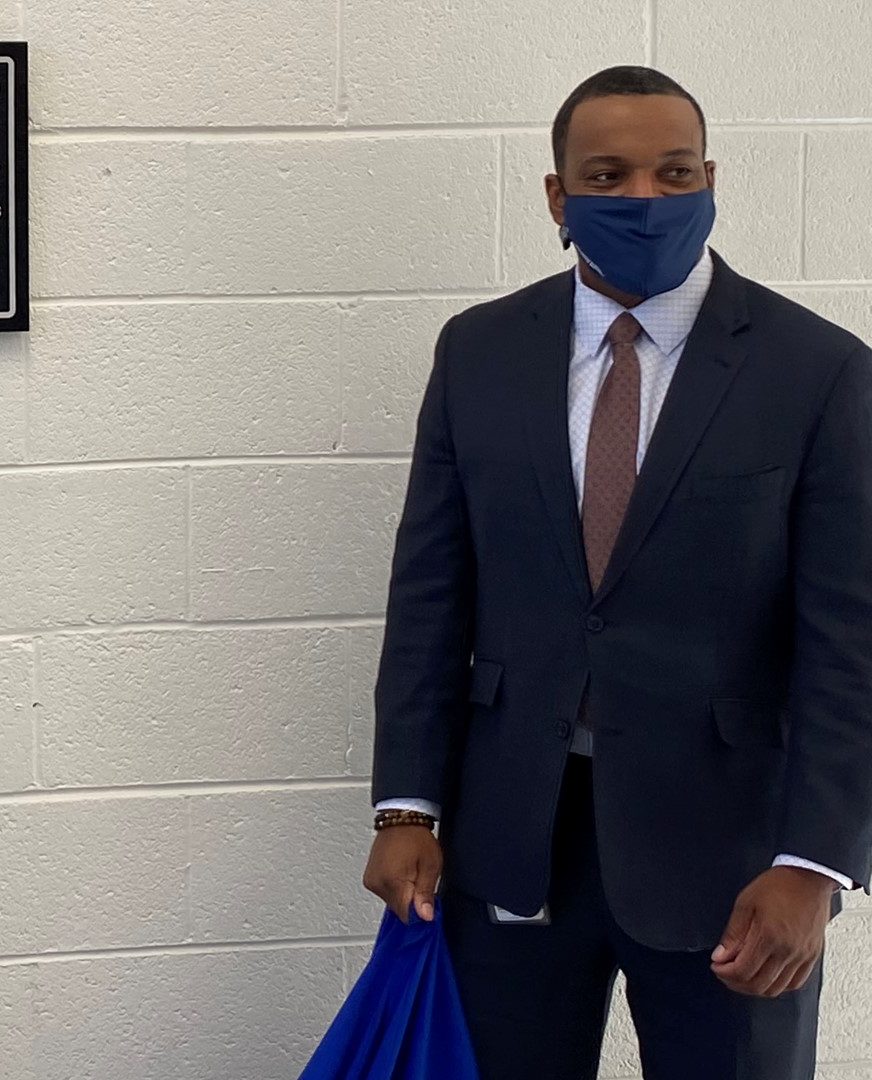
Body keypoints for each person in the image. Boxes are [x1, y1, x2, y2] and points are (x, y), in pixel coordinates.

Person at [363, 66, 872, 1079]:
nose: (645, 197)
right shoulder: (480, 353)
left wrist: (814, 865)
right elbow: (430, 595)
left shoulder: (818, 370)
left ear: (711, 178)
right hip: (510, 843)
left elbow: (850, 641)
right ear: (558, 197)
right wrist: (406, 807)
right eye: (609, 173)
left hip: (731, 860)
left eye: (674, 171)